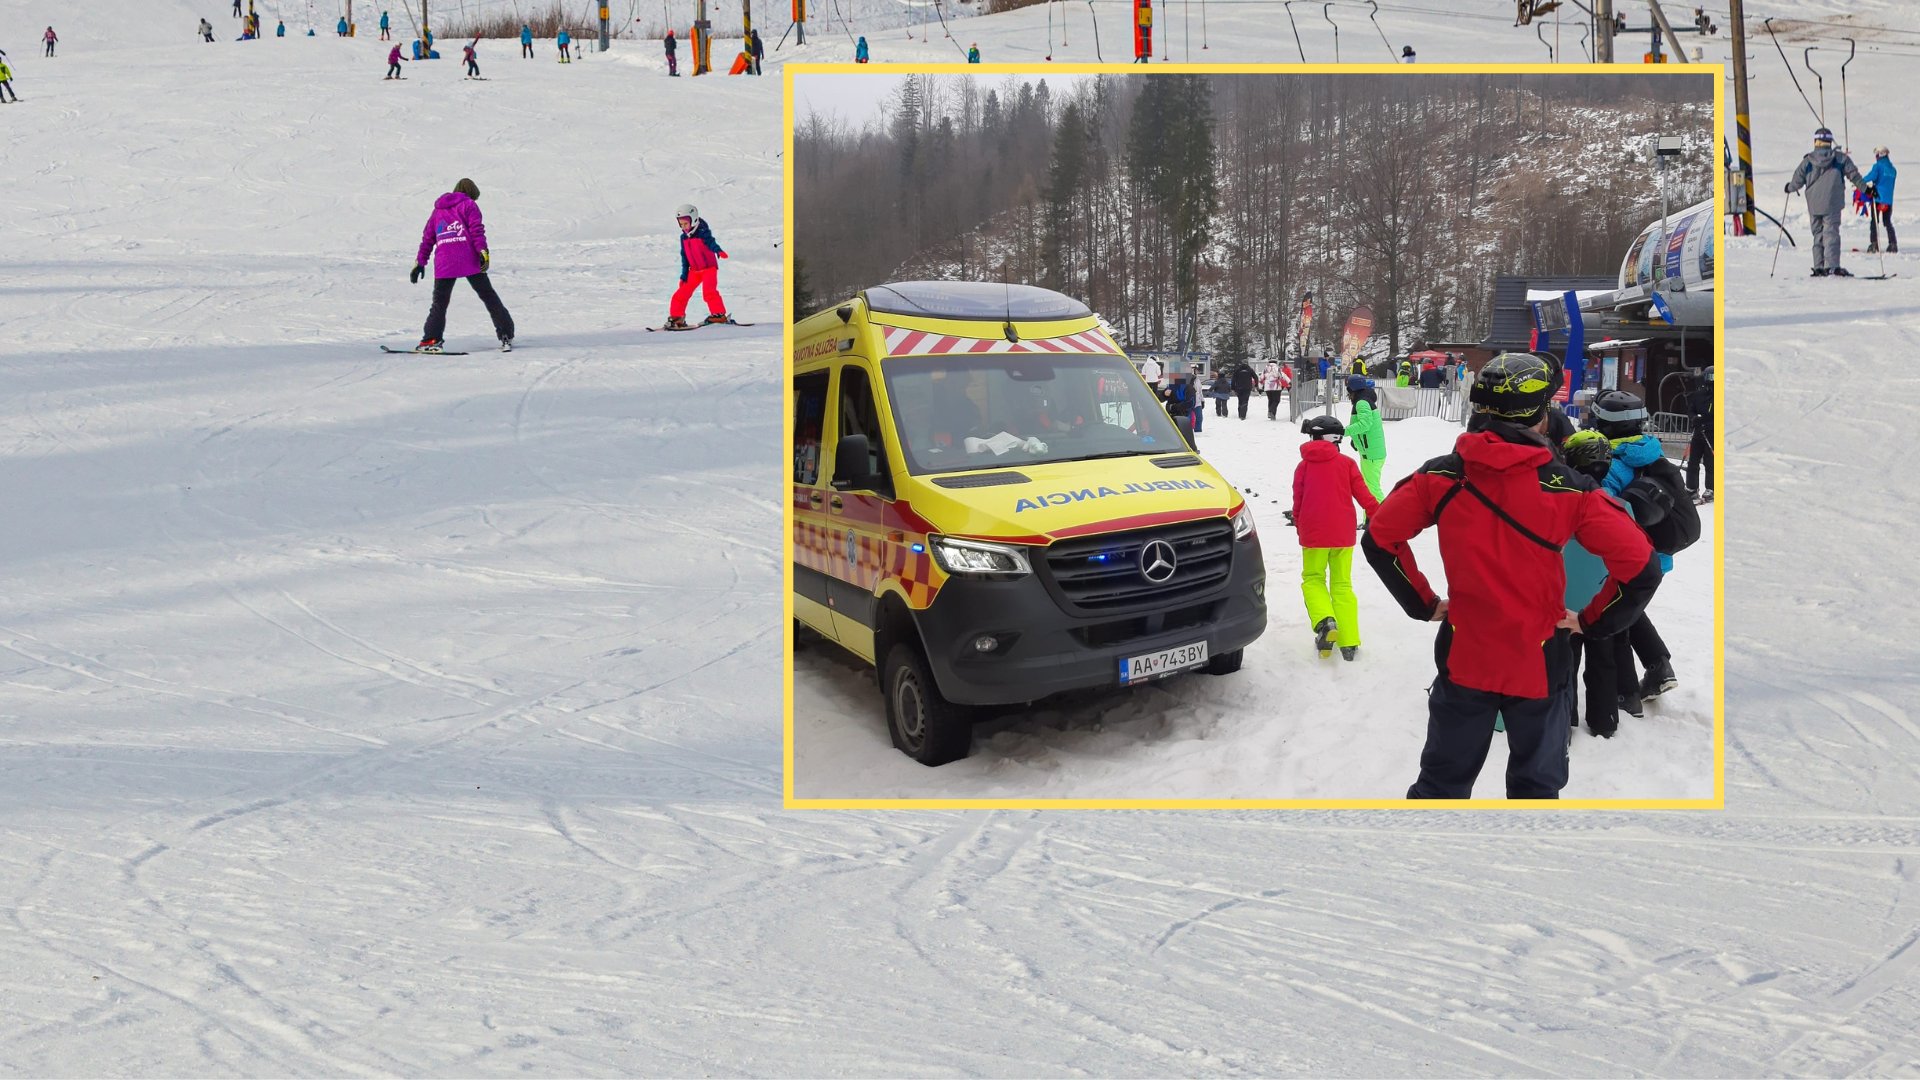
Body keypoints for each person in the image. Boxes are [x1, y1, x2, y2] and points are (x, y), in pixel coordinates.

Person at [1362, 352, 1662, 799]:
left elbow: (1379, 539)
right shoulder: (1570, 491)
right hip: (1539, 661)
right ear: (1543, 417)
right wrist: (1594, 621)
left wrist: (1421, 603)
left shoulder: (1440, 477)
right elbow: (1641, 566)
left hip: (1466, 654)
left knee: (1440, 789)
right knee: (1536, 794)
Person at [1589, 389, 1696, 713]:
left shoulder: (1610, 463)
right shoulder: (1650, 452)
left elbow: (1603, 512)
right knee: (1626, 607)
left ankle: (1628, 695)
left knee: (1614, 615)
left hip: (1631, 554)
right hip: (1659, 553)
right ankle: (1658, 665)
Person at [1294, 415, 1379, 661]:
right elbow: (1365, 496)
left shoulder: (1304, 466)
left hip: (1313, 534)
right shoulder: (1348, 464)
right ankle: (1349, 642)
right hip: (1343, 533)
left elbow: (1297, 499)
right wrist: (1380, 517)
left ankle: (1325, 621)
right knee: (1342, 584)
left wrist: (1300, 525)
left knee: (1313, 578)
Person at [1559, 429, 1625, 738]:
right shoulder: (1620, 506)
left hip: (1566, 599)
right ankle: (1605, 720)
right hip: (1605, 596)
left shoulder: (1561, 503)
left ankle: (1566, 719)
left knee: (1566, 661)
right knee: (1604, 661)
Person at [411, 178, 515, 352]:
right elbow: (476, 230)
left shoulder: (437, 211)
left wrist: (420, 263)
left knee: (439, 303)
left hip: (445, 262)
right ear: (472, 193)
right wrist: (483, 252)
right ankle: (506, 333)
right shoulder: (469, 205)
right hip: (469, 259)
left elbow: (428, 239)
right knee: (488, 296)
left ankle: (431, 339)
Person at [1786, 127, 1868, 277]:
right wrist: (1866, 190)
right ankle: (1832, 267)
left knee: (1818, 234)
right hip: (1832, 203)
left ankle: (1819, 266)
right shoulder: (1840, 159)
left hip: (1814, 204)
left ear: (1816, 142)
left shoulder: (1807, 161)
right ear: (1830, 142)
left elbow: (1797, 180)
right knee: (1831, 234)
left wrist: (1789, 188)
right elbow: (1854, 176)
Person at [667, 203, 730, 329]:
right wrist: (684, 275)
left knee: (709, 292)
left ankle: (719, 315)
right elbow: (684, 257)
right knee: (680, 294)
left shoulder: (702, 232)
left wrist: (718, 250)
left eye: (685, 223)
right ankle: (677, 317)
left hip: (708, 269)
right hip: (694, 271)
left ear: (694, 219)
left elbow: (711, 242)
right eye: (681, 224)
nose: (683, 227)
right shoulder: (683, 238)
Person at [1346, 377, 1386, 501]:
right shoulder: (1365, 399)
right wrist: (1355, 439)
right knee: (1369, 488)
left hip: (1371, 454)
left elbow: (1365, 424)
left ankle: (1383, 518)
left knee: (1372, 489)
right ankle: (1370, 519)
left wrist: (1343, 431)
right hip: (1371, 451)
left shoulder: (1362, 402)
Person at [1685, 366, 1713, 502]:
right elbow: (1691, 410)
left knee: (1710, 461)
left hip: (1712, 433)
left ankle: (1711, 488)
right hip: (1698, 433)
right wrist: (1694, 418)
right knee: (1693, 461)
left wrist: (1707, 424)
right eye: (1709, 377)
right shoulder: (1699, 394)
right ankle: (1691, 487)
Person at [1864, 145, 1897, 254]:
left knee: (1875, 221)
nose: (1876, 157)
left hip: (1877, 198)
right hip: (1888, 200)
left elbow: (1871, 176)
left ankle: (1874, 244)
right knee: (1887, 222)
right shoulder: (1892, 169)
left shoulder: (1878, 166)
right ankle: (1893, 243)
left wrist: (1859, 181)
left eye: (1877, 155)